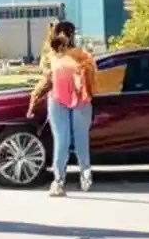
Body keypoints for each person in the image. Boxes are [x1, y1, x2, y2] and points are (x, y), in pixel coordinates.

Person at [26, 21, 96, 197]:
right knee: (62, 140)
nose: (64, 37)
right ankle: (59, 180)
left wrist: (84, 70)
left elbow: (92, 74)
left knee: (79, 139)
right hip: (58, 99)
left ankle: (84, 173)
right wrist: (33, 101)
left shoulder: (81, 54)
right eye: (60, 33)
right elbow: (46, 80)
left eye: (66, 33)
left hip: (80, 99)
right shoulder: (50, 57)